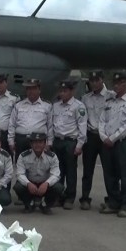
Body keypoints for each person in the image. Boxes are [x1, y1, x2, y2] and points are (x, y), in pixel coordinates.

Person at [98, 72, 126, 218]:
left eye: (120, 83)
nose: (116, 86)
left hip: (123, 144)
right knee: (109, 175)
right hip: (107, 143)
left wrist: (113, 138)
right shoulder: (109, 102)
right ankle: (113, 202)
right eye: (115, 83)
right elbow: (102, 121)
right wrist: (104, 137)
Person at [79, 70, 115, 210]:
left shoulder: (111, 96)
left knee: (109, 170)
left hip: (106, 137)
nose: (94, 83)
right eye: (91, 80)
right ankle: (85, 198)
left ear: (102, 80)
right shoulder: (85, 98)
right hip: (91, 136)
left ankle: (111, 198)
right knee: (87, 170)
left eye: (96, 80)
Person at [51, 80, 87, 210]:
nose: (62, 93)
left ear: (72, 91)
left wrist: (80, 145)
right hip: (57, 141)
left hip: (71, 141)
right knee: (58, 171)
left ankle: (70, 197)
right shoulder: (55, 106)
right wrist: (50, 142)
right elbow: (52, 125)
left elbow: (82, 126)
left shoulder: (79, 106)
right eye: (60, 91)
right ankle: (58, 196)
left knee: (71, 171)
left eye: (65, 91)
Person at [15, 132, 63, 215]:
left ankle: (46, 205)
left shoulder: (52, 156)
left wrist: (46, 183)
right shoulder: (23, 156)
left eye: (40, 142)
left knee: (59, 187)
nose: (37, 145)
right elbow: (19, 174)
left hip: (45, 184)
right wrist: (28, 183)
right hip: (30, 183)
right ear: (31, 144)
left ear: (45, 143)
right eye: (35, 142)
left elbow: (56, 174)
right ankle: (28, 204)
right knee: (18, 186)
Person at [9, 78, 53, 158]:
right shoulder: (18, 105)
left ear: (39, 90)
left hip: (38, 140)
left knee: (39, 166)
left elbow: (50, 126)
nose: (30, 91)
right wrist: (11, 141)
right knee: (20, 166)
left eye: (33, 88)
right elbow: (12, 124)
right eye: (28, 89)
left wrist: (49, 143)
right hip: (21, 140)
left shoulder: (47, 106)